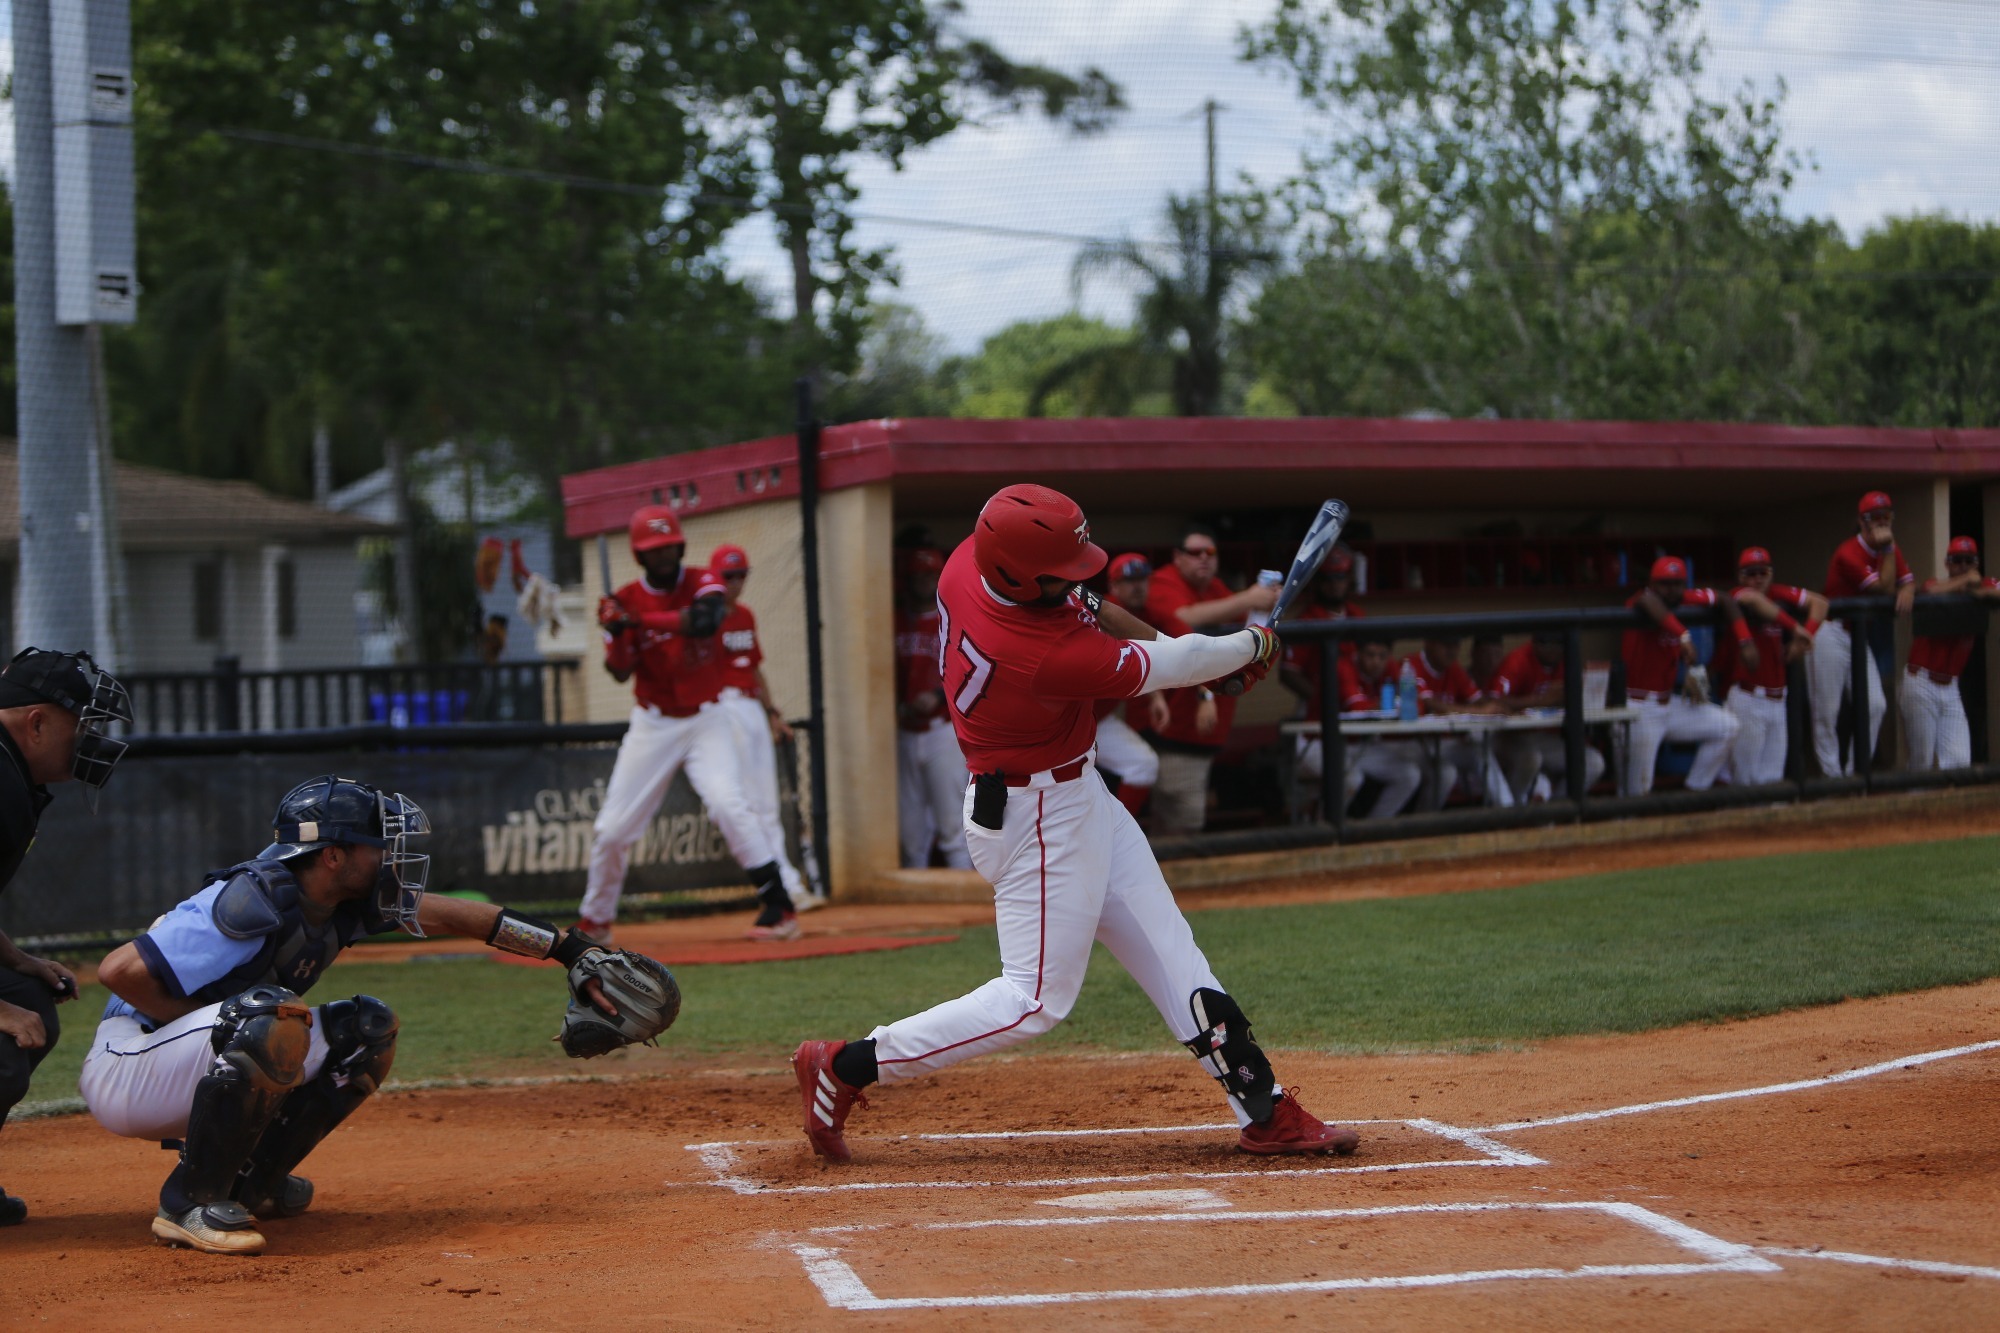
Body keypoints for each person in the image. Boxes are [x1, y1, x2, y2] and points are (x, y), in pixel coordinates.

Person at [790, 484, 1357, 1165]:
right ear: (1021, 573)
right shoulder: (1043, 653)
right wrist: (1246, 647)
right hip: (1036, 819)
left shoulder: (969, 562)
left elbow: (1104, 612)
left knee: (1173, 953)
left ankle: (1264, 1111)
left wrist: (1210, 667)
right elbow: (1169, 662)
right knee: (1033, 1001)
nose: (1078, 577)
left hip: (1076, 796)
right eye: (1063, 568)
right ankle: (846, 1065)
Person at [81, 776, 624, 1255]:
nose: (390, 856)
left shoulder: (343, 902)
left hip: (197, 1053)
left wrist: (569, 949)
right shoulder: (250, 898)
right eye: (377, 846)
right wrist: (219, 1029)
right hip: (131, 1064)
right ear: (333, 856)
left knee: (365, 1030)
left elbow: (460, 916)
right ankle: (185, 1205)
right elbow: (119, 971)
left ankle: (254, 1185)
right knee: (268, 1016)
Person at [581, 505, 797, 943]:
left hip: (707, 717)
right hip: (654, 723)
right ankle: (595, 920)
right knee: (613, 828)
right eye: (652, 551)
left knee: (727, 803)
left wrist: (636, 620)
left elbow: (704, 622)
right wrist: (616, 632)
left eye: (668, 548)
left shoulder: (703, 581)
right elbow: (620, 671)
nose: (663, 557)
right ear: (639, 556)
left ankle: (779, 908)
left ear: (680, 546)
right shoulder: (624, 600)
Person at [0, 648, 130, 1225]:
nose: (87, 741)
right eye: (81, 724)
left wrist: (17, 961)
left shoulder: (9, 770)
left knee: (30, 1004)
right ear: (37, 722)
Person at [1142, 524, 1279, 835]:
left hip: (1203, 732)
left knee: (1181, 820)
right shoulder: (1162, 581)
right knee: (1183, 820)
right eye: (1195, 553)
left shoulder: (1216, 589)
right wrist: (1248, 598)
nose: (1204, 558)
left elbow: (1248, 632)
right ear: (1177, 557)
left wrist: (1264, 603)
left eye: (1211, 552)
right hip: (1170, 728)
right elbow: (1182, 618)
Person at [709, 544, 822, 910]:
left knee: (766, 803)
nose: (736, 583)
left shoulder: (745, 615)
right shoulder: (703, 618)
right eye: (729, 576)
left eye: (742, 574)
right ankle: (781, 884)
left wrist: (772, 712)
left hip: (750, 707)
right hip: (721, 707)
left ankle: (787, 884)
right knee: (743, 803)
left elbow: (755, 668)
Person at [1621, 556, 1751, 795]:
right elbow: (1649, 602)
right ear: (1652, 584)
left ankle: (1694, 791)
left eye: (1677, 584)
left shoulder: (1684, 599)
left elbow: (1725, 599)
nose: (1671, 590)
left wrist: (1745, 640)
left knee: (1727, 725)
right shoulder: (1642, 600)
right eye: (1664, 584)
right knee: (1637, 792)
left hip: (1669, 705)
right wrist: (1683, 636)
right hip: (1637, 708)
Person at [1808, 491, 1915, 776]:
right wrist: (1890, 553)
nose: (1880, 524)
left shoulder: (1889, 548)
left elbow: (1906, 582)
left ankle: (1856, 775)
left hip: (1857, 636)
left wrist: (1908, 588)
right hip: (1829, 634)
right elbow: (1884, 588)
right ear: (1861, 521)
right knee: (1826, 713)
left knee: (1876, 706)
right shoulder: (1848, 553)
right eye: (1874, 518)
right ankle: (1833, 780)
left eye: (1885, 517)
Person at [1717, 547, 1826, 786]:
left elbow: (1821, 603)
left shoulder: (1777, 592)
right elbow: (1754, 600)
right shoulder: (1737, 595)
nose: (1757, 579)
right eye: (1750, 573)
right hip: (1748, 697)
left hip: (1778, 699)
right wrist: (1795, 629)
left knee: (1773, 777)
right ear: (1741, 577)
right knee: (1745, 778)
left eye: (1762, 573)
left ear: (1770, 573)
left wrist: (1804, 638)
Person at [894, 546, 972, 870]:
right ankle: (917, 917)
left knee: (952, 826)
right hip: (904, 733)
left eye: (930, 575)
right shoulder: (896, 621)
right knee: (911, 833)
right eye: (918, 575)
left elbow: (971, 669)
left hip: (943, 731)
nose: (924, 582)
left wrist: (939, 697)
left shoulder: (954, 619)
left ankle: (964, 912)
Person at [1901, 536, 2000, 771]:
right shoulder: (1935, 585)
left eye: (1968, 561)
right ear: (1947, 563)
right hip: (1921, 682)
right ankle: (1912, 806)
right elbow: (1930, 590)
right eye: (1957, 561)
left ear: (1976, 563)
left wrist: (1982, 593)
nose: (1963, 566)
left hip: (1951, 688)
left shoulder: (1985, 585)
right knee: (1922, 762)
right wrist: (1966, 582)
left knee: (1958, 761)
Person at [1487, 632, 1607, 802]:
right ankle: (1513, 813)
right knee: (1531, 758)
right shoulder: (1518, 660)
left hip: (1546, 738)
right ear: (1536, 643)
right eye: (1549, 644)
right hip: (1512, 737)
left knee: (1593, 762)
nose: (1555, 650)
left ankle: (1557, 810)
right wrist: (1540, 700)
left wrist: (1585, 693)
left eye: (1559, 645)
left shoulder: (1567, 661)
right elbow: (1494, 701)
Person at [1093, 553, 1170, 819]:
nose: (1137, 586)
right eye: (1128, 581)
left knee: (1143, 764)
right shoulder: (1101, 611)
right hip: (1057, 723)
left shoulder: (1148, 613)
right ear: (1114, 586)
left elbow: (1181, 642)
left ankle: (1118, 834)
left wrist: (1155, 696)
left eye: (1142, 580)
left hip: (1096, 721)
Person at [1399, 634, 1503, 808]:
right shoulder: (1410, 664)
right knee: (1446, 773)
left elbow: (1477, 699)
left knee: (1480, 753)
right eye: (1446, 645)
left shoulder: (1453, 669)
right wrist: (1479, 711)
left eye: (1455, 645)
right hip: (1415, 744)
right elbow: (1430, 704)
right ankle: (1422, 826)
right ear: (1428, 643)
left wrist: (1495, 706)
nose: (1452, 651)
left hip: (1444, 743)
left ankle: (1507, 810)